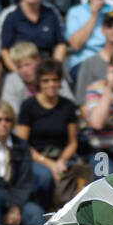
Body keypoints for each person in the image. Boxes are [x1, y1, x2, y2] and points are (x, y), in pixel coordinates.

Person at [17, 58, 80, 209]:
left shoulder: (68, 106)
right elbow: (21, 143)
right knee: (44, 177)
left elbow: (72, 142)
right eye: (46, 80)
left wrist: (61, 161)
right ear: (39, 82)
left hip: (62, 157)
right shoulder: (28, 106)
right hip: (36, 158)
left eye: (54, 80)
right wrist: (49, 164)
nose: (51, 84)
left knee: (76, 178)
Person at [1, 0, 69, 71]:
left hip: (46, 67)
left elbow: (61, 44)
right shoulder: (11, 16)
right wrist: (17, 71)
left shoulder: (51, 13)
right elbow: (5, 50)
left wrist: (53, 68)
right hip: (21, 67)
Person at [67, 0, 111, 84]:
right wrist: (94, 16)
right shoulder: (75, 12)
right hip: (83, 61)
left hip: (108, 61)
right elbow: (75, 45)